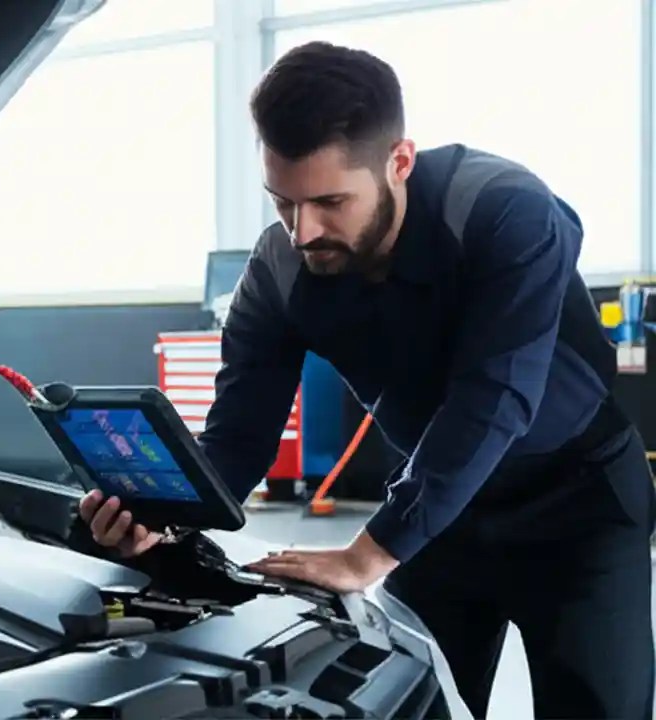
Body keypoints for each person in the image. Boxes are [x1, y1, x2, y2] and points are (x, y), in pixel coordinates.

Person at [77, 41, 655, 719]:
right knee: (403, 704)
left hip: (576, 507)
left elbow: (494, 398)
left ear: (399, 162)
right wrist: (163, 521)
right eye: (282, 203)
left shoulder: (503, 211)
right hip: (440, 517)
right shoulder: (279, 271)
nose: (302, 231)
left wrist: (367, 554)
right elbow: (238, 438)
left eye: (329, 201)